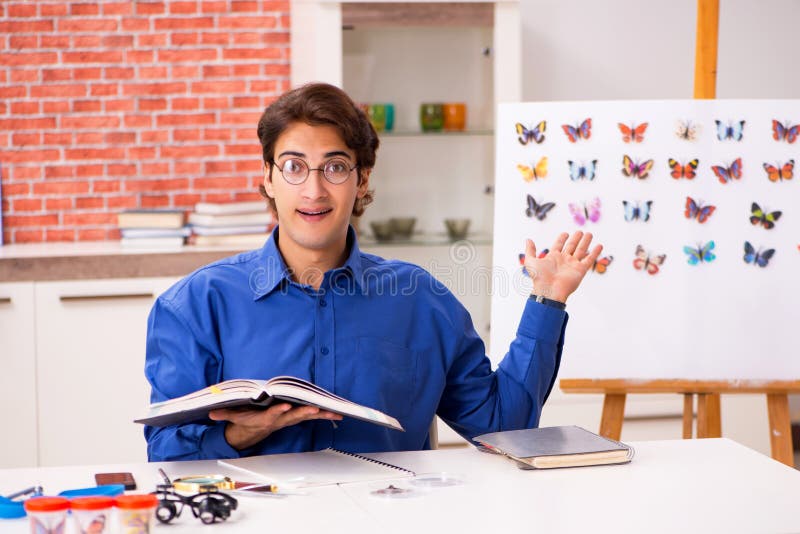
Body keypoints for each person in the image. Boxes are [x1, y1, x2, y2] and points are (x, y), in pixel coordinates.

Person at [144, 83, 602, 461]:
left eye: (336, 167)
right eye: (294, 167)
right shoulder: (197, 305)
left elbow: (507, 428)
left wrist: (548, 299)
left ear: (362, 180)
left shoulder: (420, 300)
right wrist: (239, 435)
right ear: (268, 177)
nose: (314, 188)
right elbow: (164, 454)